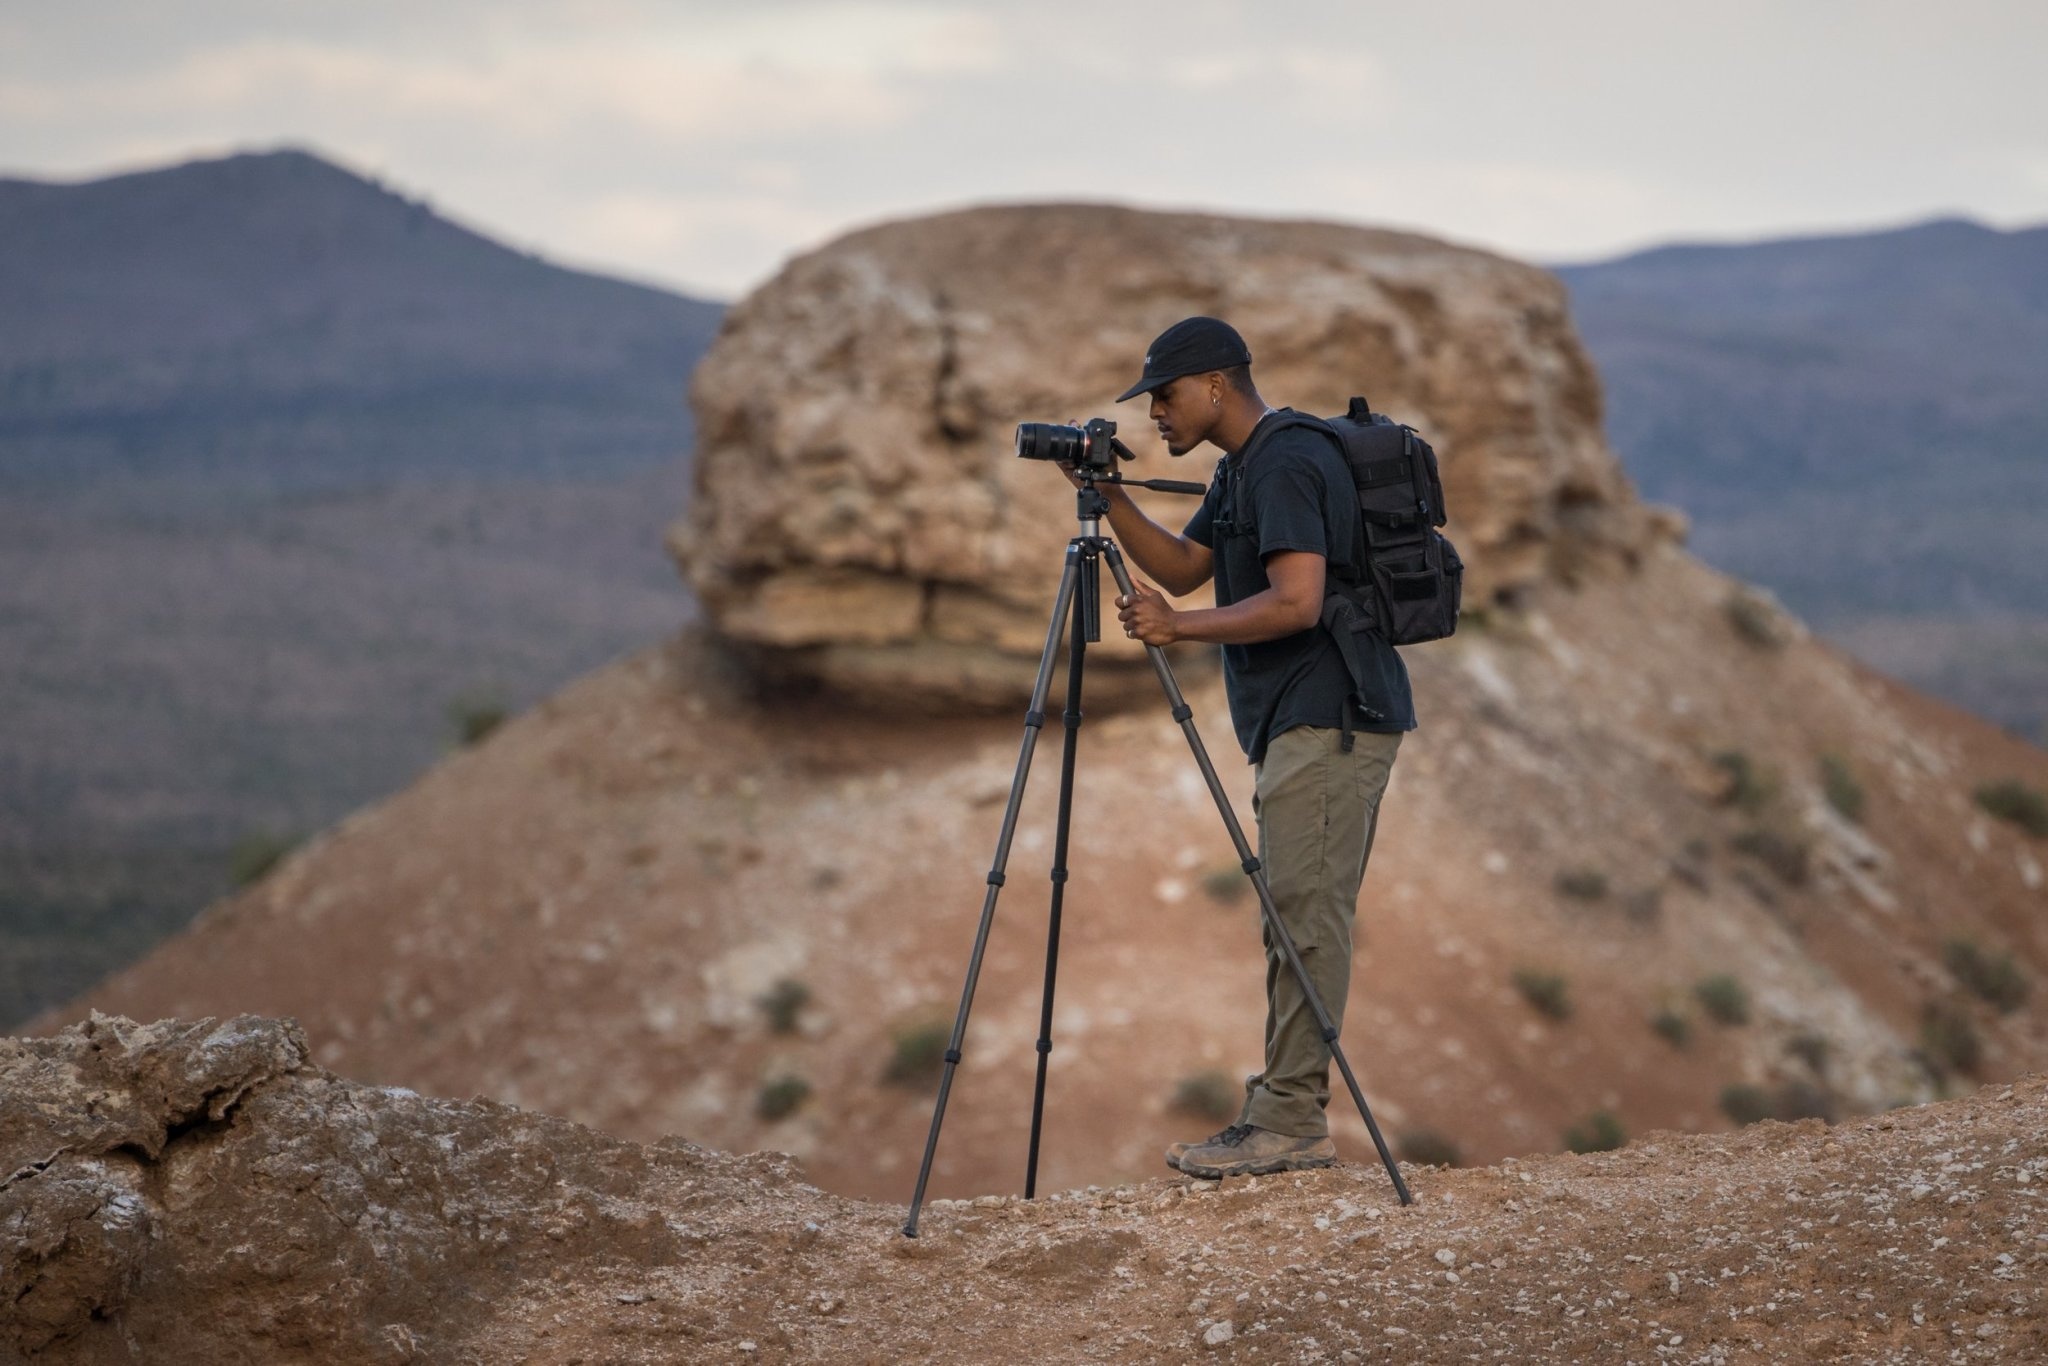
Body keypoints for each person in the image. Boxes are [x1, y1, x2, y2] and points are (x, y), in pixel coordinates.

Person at [1071, 315, 1414, 1180]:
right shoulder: (1242, 467)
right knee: (1290, 914)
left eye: (1167, 394)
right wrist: (1108, 496)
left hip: (1330, 717)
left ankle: (1291, 1120)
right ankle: (1282, 1112)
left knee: (1306, 916)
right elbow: (1188, 566)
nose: (1156, 412)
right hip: (1298, 723)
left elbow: (1297, 601)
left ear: (1217, 384)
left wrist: (1179, 629)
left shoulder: (1290, 461)